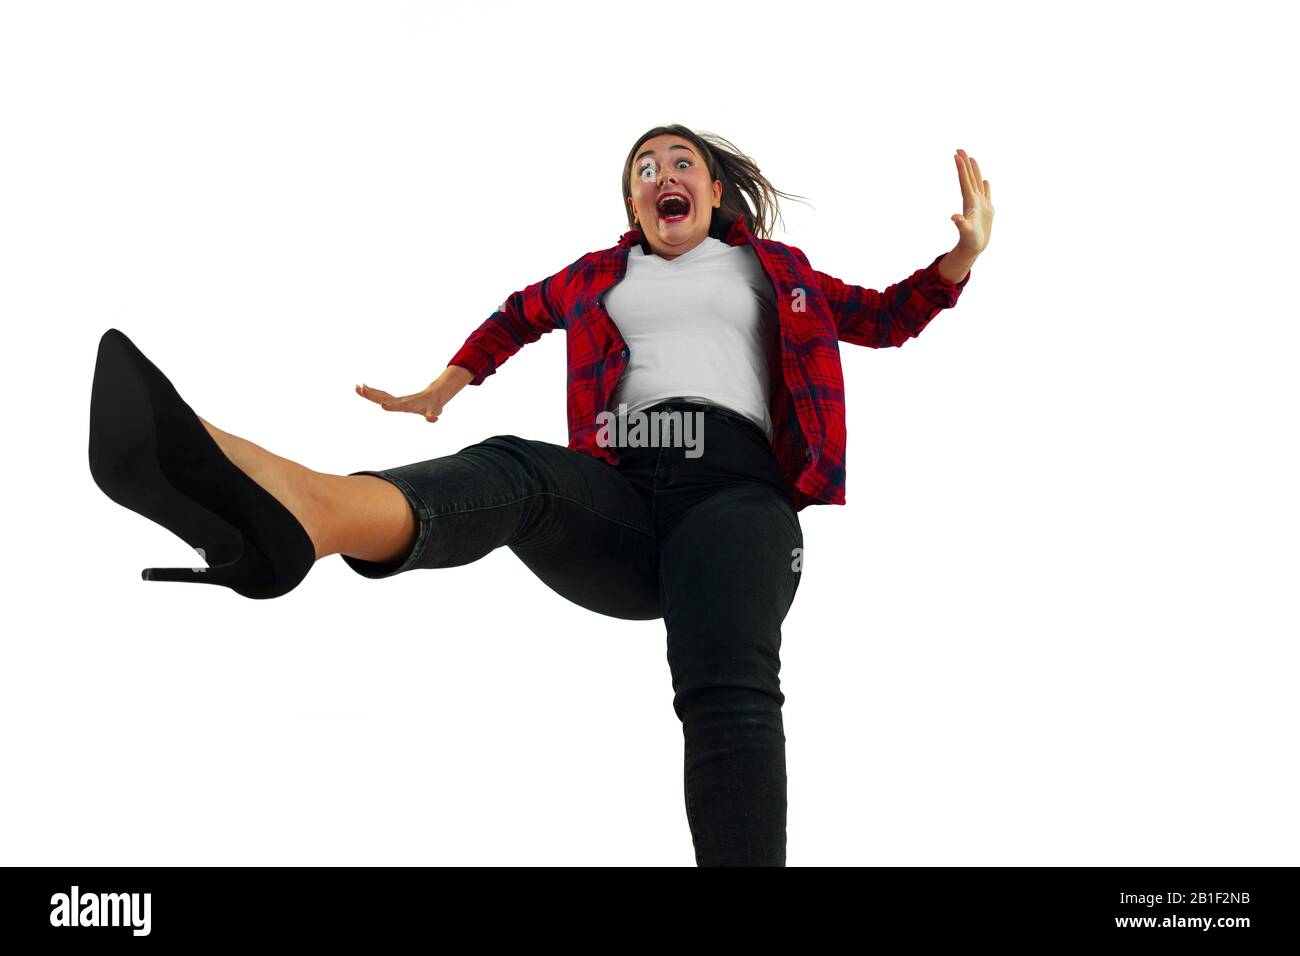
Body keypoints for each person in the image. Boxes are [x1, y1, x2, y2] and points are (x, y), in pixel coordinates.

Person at [88, 124, 993, 865]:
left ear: (714, 194)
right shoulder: (601, 274)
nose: (662, 175)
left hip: (737, 502)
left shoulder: (775, 273)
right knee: (517, 470)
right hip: (625, 500)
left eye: (682, 164)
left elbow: (883, 317)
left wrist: (961, 256)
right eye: (644, 169)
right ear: (633, 204)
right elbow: (519, 313)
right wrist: (449, 382)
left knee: (724, 691)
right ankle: (301, 517)